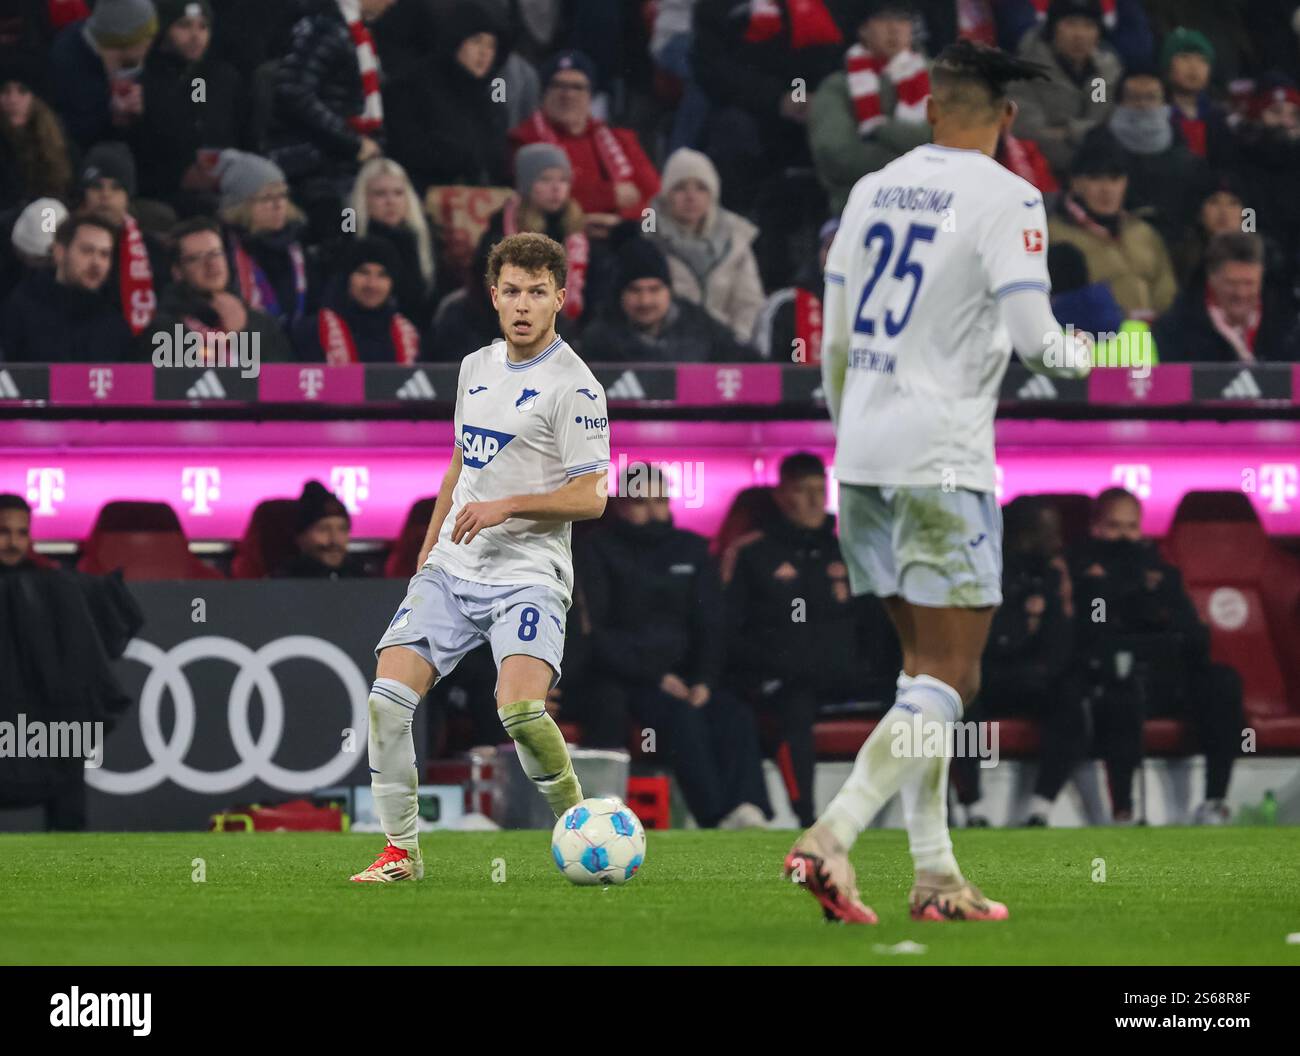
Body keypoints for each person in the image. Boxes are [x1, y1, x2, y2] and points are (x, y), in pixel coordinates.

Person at [784, 40, 1093, 925]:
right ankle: (832, 835)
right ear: (1008, 117)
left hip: (862, 456)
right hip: (943, 458)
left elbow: (836, 344)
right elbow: (1039, 339)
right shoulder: (1009, 197)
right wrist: (1099, 352)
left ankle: (935, 876)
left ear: (928, 109)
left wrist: (853, 438)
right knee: (953, 678)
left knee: (921, 675)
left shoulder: (870, 190)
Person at [352, 232, 610, 882]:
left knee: (520, 713)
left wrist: (508, 506)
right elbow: (461, 465)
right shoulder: (475, 366)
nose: (523, 305)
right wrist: (426, 552)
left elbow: (592, 497)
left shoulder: (575, 389)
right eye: (512, 292)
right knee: (386, 699)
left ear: (560, 297)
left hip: (527, 575)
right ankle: (400, 853)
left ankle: (577, 826)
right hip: (453, 569)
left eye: (537, 292)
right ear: (494, 297)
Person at [580, 474, 771, 829]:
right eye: (641, 502)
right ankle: (713, 817)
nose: (653, 511)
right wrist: (655, 676)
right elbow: (596, 635)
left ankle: (747, 807)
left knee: (736, 716)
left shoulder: (693, 549)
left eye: (660, 501)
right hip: (627, 678)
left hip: (688, 678)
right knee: (682, 718)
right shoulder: (597, 549)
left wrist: (705, 681)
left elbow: (712, 625)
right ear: (621, 505)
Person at [721, 452, 883, 828]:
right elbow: (729, 630)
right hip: (784, 681)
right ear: (780, 495)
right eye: (802, 490)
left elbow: (874, 624)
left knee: (914, 703)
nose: (814, 500)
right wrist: (771, 666)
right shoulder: (753, 554)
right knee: (793, 705)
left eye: (819, 489)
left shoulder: (848, 551)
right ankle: (808, 819)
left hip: (847, 675)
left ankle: (935, 813)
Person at [1068, 488, 1244, 824]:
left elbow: (1195, 636)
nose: (1124, 537)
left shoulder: (1161, 572)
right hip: (1112, 680)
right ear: (1096, 527)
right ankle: (1124, 810)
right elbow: (1091, 633)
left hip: (1170, 679)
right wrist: (1102, 593)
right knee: (1121, 690)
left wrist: (1159, 609)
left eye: (1131, 527)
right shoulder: (1080, 572)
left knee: (1222, 681)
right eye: (1114, 526)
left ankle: (1214, 802)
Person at [950, 497, 1084, 828]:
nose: (1055, 540)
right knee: (963, 700)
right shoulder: (984, 571)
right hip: (987, 676)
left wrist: (1043, 668)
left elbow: (1060, 643)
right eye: (1045, 531)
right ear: (1022, 533)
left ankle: (1040, 808)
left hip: (1034, 679)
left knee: (1069, 699)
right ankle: (973, 807)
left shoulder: (1054, 576)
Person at [267, 0, 398, 239]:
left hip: (341, 167)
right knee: (335, 245)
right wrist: (353, 142)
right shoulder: (325, 28)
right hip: (317, 170)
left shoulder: (354, 30)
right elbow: (293, 91)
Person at [507, 50, 660, 224]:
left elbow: (655, 197)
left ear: (590, 96)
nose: (568, 95)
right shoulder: (526, 139)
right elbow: (540, 196)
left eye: (577, 87)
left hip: (623, 232)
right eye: (558, 85)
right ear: (544, 93)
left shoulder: (620, 140)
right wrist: (609, 196)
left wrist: (620, 221)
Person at [809, 0, 932, 215]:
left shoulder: (941, 79)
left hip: (934, 206)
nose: (894, 28)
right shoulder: (838, 86)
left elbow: (955, 141)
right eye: (883, 19)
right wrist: (917, 161)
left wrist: (879, 131)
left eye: (902, 19)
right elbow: (836, 156)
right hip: (860, 210)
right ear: (863, 29)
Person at [383, 1, 509, 193]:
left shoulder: (491, 102)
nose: (484, 53)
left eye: (491, 46)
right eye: (476, 41)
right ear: (456, 40)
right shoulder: (411, 87)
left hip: (477, 206)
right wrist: (459, 159)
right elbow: (406, 148)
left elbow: (496, 160)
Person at [130, 0, 245, 208]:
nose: (195, 36)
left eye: (203, 27)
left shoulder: (216, 78)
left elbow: (222, 130)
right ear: (164, 30)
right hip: (160, 195)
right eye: (184, 25)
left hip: (221, 191)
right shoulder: (143, 83)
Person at [1046, 139, 1177, 320]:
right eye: (1095, 178)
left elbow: (1167, 293)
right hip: (1090, 340)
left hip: (1150, 341)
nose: (1107, 189)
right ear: (1075, 184)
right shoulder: (1053, 235)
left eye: (1115, 179)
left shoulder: (1144, 232)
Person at [647, 147, 764, 344]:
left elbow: (749, 303)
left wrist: (735, 344)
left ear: (713, 193)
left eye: (701, 187)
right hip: (668, 353)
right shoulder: (649, 239)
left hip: (727, 347)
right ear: (666, 194)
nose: (691, 197)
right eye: (680, 188)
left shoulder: (736, 241)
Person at [578, 236, 750, 363]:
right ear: (620, 295)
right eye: (635, 290)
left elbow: (750, 366)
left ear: (669, 291)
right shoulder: (598, 339)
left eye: (654, 290)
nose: (645, 301)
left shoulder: (700, 326)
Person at [145, 216, 291, 362]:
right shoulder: (162, 331)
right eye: (196, 258)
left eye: (216, 253)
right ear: (178, 272)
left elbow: (283, 379)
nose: (211, 263)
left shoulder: (259, 322)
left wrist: (244, 333)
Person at [479, 143, 591, 329]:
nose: (556, 188)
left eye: (563, 180)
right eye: (545, 180)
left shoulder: (577, 231)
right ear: (527, 185)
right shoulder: (500, 232)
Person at [1007, 0, 1121, 176]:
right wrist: (1080, 133)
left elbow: (1101, 117)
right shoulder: (1026, 72)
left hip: (1097, 173)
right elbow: (1028, 132)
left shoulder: (1104, 73)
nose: (1079, 34)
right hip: (1042, 175)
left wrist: (1066, 132)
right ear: (1052, 29)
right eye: (1071, 24)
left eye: (1089, 25)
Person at [1097, 70, 1208, 249]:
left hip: (1173, 242)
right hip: (1110, 241)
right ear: (1119, 102)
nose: (1142, 104)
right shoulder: (1100, 147)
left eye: (1151, 97)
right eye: (1133, 97)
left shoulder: (1187, 159)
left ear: (1165, 103)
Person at [1, 214, 132, 362]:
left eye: (104, 254)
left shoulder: (114, 321)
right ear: (59, 252)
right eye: (87, 251)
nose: (97, 263)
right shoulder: (21, 307)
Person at [1154, 232, 1299, 363]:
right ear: (1212, 279)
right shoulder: (1176, 331)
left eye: (1249, 283)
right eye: (1232, 283)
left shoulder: (1287, 326)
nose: (1240, 293)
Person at [216, 150, 314, 332]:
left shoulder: (297, 245)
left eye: (283, 195)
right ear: (241, 206)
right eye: (267, 198)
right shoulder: (225, 249)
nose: (279, 205)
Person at [73, 141, 164, 337]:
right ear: (85, 193)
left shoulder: (152, 251)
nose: (105, 195)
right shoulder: (66, 245)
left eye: (116, 187)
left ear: (127, 196)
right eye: (97, 186)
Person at [49, 0, 158, 151]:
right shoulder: (68, 57)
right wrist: (110, 113)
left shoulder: (135, 58)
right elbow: (68, 128)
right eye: (145, 40)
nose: (149, 45)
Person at [293, 237, 420, 363]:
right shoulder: (312, 332)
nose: (372, 284)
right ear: (347, 278)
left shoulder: (410, 337)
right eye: (363, 272)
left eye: (382, 275)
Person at [347, 157, 436, 325]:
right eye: (380, 194)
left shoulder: (422, 237)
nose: (391, 201)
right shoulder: (352, 236)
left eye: (398, 193)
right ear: (364, 199)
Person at [753, 217, 838, 363]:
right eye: (830, 247)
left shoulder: (870, 305)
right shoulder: (789, 304)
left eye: (844, 248)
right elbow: (768, 369)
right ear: (819, 252)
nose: (836, 255)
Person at [0, 54, 74, 210]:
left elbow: (65, 193)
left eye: (22, 91)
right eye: (5, 91)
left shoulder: (58, 143)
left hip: (47, 217)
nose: (13, 99)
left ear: (35, 98)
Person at [1161, 26, 1233, 170]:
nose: (1194, 67)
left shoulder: (1219, 116)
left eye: (1202, 60)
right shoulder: (1157, 113)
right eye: (1185, 58)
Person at [274, 480, 369, 578]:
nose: (334, 540)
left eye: (342, 529)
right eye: (323, 529)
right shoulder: (281, 585)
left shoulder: (366, 581)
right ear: (300, 537)